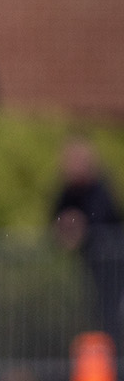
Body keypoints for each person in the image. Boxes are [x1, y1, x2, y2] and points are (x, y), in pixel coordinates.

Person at [53, 138, 124, 346]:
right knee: (101, 315)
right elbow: (56, 217)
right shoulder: (68, 191)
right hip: (92, 268)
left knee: (112, 314)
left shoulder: (100, 188)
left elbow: (100, 221)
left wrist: (78, 227)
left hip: (114, 268)